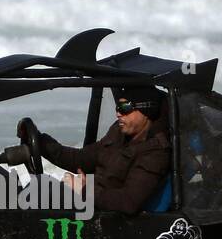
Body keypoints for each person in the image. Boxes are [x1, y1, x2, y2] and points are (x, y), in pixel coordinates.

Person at [36, 87, 170, 214]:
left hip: (108, 219)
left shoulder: (155, 152)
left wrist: (84, 190)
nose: (118, 113)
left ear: (146, 110)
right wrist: (40, 143)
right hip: (91, 203)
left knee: (35, 197)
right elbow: (80, 158)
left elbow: (128, 201)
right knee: (36, 188)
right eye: (118, 107)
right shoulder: (118, 133)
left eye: (125, 108)